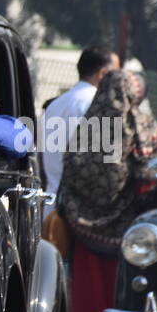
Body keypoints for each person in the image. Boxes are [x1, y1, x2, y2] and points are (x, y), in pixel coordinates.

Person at [59, 70, 157, 312]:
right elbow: (151, 173)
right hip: (126, 235)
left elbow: (72, 171)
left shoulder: (88, 125)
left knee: (93, 297)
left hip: (84, 229)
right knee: (121, 295)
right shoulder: (138, 124)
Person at [41, 46, 120, 202]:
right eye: (117, 74)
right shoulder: (99, 104)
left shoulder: (55, 104)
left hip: (52, 205)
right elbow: (109, 161)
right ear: (102, 74)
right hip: (82, 211)